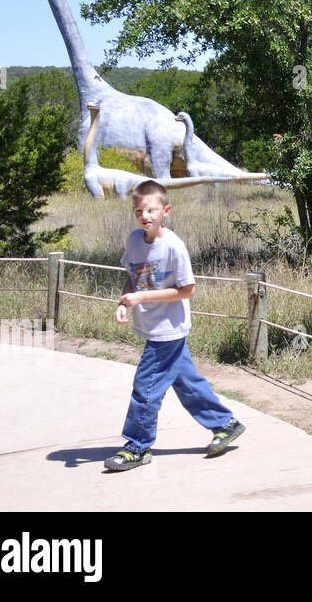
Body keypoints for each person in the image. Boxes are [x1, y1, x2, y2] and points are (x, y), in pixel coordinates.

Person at [104, 180, 245, 471]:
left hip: (168, 330)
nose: (146, 216)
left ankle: (138, 446)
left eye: (152, 210)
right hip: (151, 325)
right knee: (186, 381)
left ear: (166, 210)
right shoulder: (133, 241)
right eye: (139, 211)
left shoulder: (174, 247)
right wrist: (123, 303)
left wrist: (142, 296)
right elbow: (132, 275)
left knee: (146, 388)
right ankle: (224, 424)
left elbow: (187, 290)